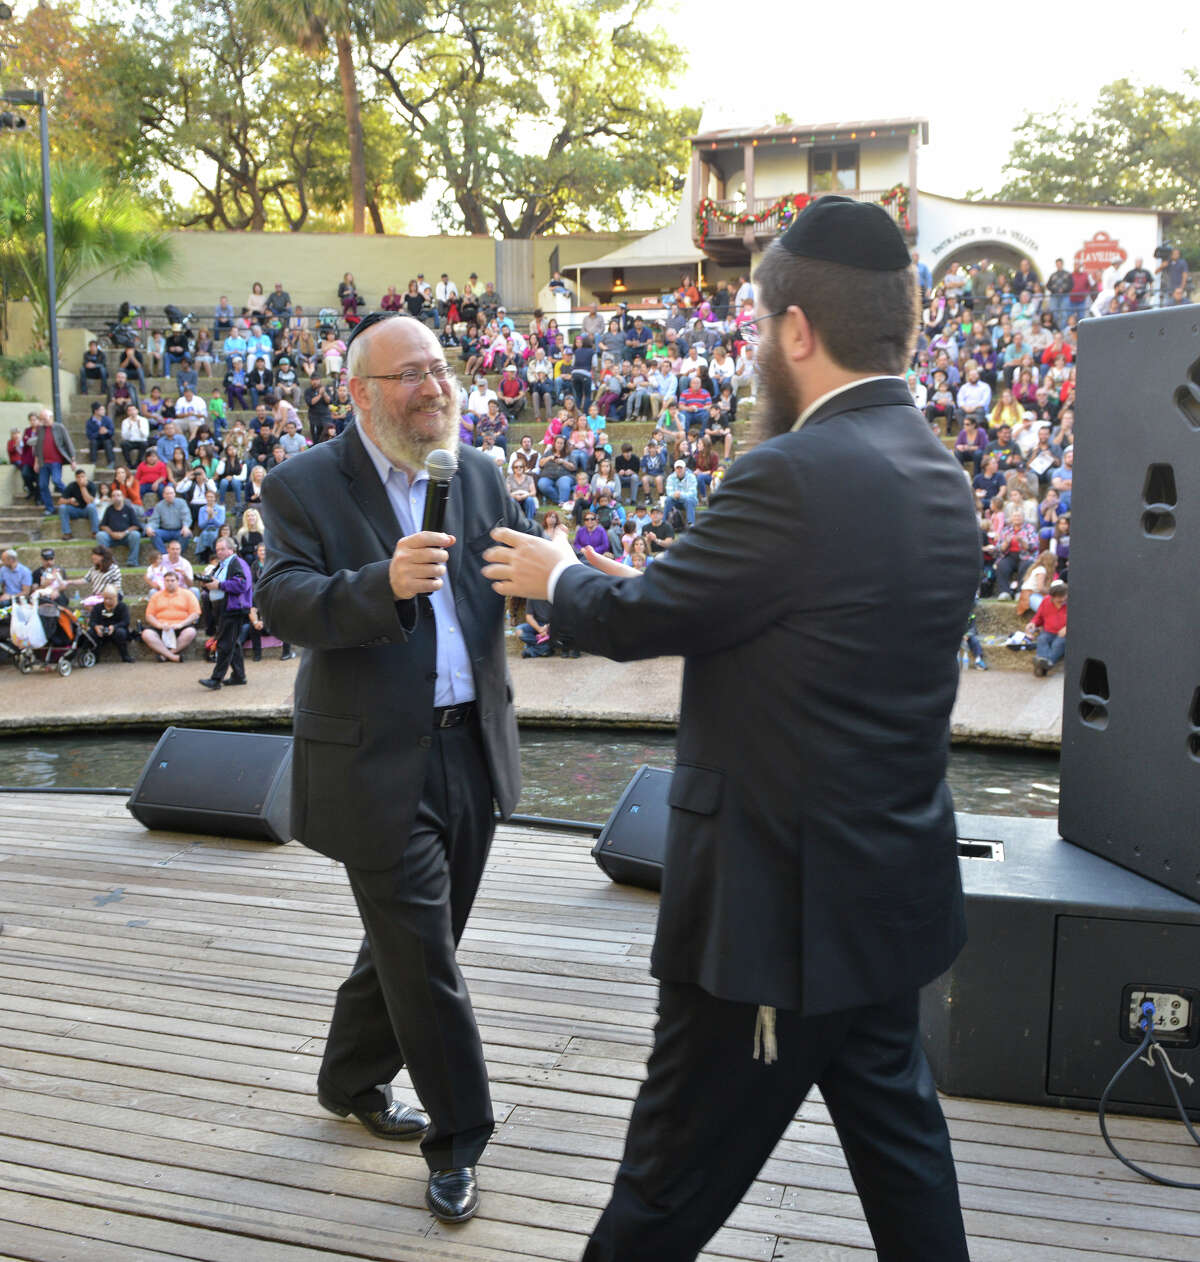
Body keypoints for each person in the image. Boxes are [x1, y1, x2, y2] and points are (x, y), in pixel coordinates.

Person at [482, 195, 977, 1262]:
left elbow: (642, 619)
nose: (757, 348)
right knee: (908, 1165)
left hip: (773, 925)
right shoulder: (939, 471)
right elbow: (767, 617)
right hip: (885, 903)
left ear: (797, 330)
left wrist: (555, 573)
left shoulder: (793, 471)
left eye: (760, 326)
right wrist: (624, 579)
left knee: (663, 1190)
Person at [254, 311, 541, 1227]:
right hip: (372, 760)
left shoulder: (481, 472)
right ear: (361, 392)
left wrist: (572, 588)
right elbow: (282, 601)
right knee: (423, 953)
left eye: (440, 368)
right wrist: (379, 584)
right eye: (409, 373)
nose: (433, 387)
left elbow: (516, 583)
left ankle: (348, 1078)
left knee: (414, 943)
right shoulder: (303, 483)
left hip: (471, 748)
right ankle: (458, 1137)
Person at [197, 535, 252, 689]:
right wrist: (206, 583)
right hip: (223, 608)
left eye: (222, 549)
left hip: (233, 608)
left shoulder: (237, 563)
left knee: (224, 644)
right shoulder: (222, 565)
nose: (219, 552)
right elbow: (216, 583)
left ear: (231, 549)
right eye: (217, 549)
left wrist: (219, 585)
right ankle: (239, 676)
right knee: (232, 643)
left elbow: (242, 584)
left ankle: (216, 679)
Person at [140, 569, 200, 662]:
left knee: (191, 632)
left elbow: (195, 614)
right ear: (163, 582)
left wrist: (181, 624)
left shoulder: (188, 594)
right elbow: (149, 616)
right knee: (146, 634)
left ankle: (167, 654)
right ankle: (172, 657)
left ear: (178, 581)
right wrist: (159, 625)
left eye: (172, 580)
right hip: (161, 626)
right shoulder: (156, 596)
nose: (170, 583)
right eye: (167, 581)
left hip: (181, 626)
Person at [1028, 579, 1068, 676]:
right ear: (1052, 597)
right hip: (1048, 631)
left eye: (1063, 597)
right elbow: (1038, 617)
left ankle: (1042, 665)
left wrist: (1068, 627)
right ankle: (1045, 663)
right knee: (1042, 639)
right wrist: (1033, 623)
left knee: (1058, 644)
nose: (1062, 600)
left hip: (1064, 634)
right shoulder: (1046, 601)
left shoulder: (1072, 602)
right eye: (1059, 598)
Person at [96, 488, 143, 565]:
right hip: (111, 537)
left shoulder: (129, 509)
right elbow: (103, 525)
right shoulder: (109, 509)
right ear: (111, 498)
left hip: (126, 537)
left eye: (118, 495)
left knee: (135, 534)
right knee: (100, 535)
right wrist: (111, 533)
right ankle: (110, 561)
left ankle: (132, 561)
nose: (116, 497)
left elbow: (136, 525)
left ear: (123, 497)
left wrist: (124, 533)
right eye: (113, 496)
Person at [88, 586, 133, 662]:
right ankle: (94, 656)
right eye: (105, 598)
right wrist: (96, 627)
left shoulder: (122, 606)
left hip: (116, 630)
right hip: (101, 632)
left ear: (115, 597)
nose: (107, 601)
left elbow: (125, 621)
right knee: (91, 633)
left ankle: (125, 656)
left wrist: (114, 627)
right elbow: (92, 621)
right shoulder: (97, 607)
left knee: (121, 632)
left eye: (110, 598)